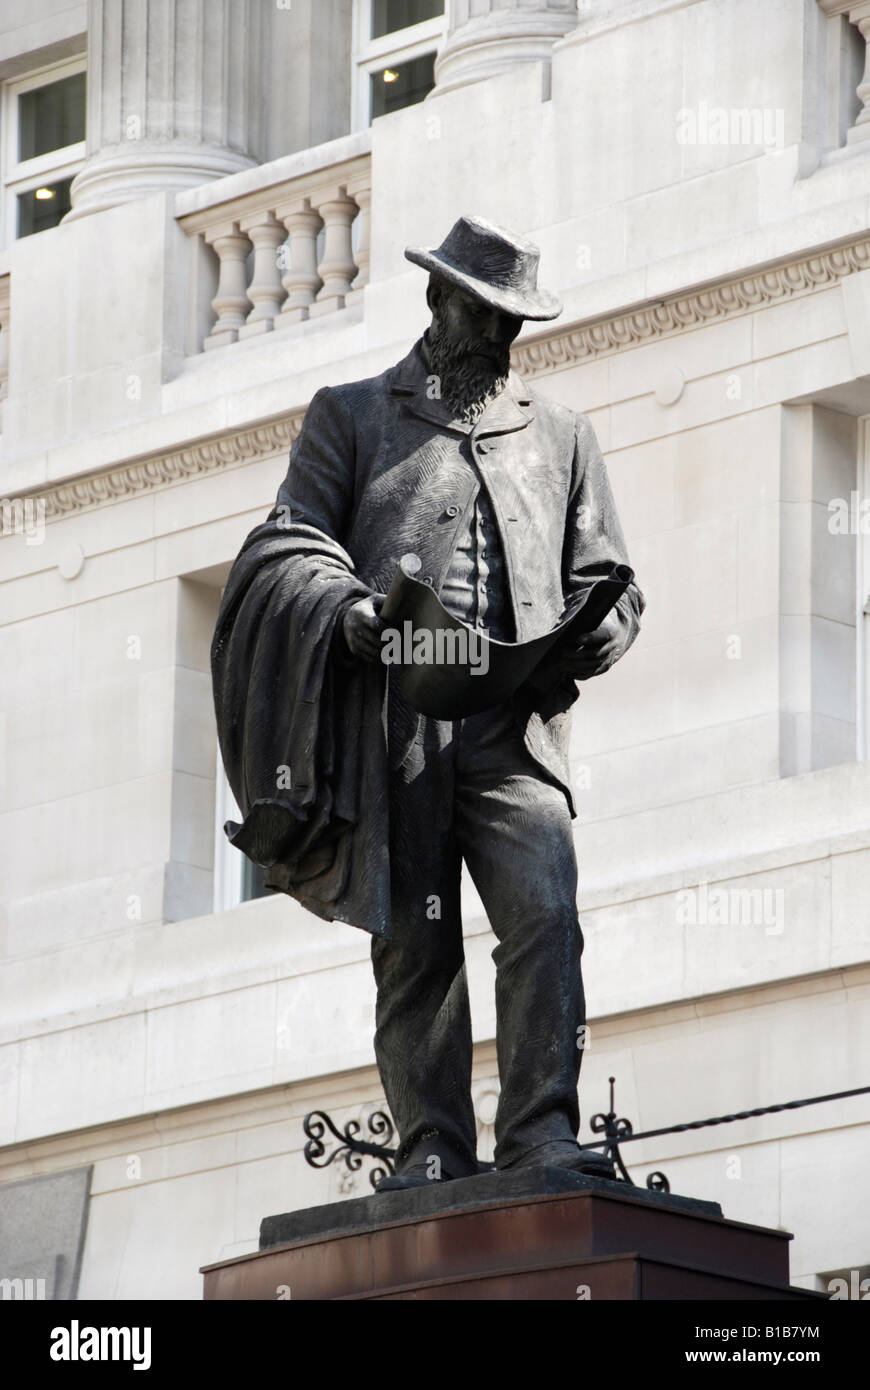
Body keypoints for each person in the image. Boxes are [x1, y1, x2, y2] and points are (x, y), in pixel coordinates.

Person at [212, 215, 645, 1191]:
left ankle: (541, 1134)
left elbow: (616, 582)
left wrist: (605, 629)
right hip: (397, 723)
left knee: (545, 917)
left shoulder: (565, 437)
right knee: (418, 945)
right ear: (437, 300)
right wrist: (350, 611)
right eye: (482, 314)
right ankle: (432, 1147)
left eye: (510, 323)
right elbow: (287, 546)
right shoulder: (353, 417)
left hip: (516, 727)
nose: (495, 339)